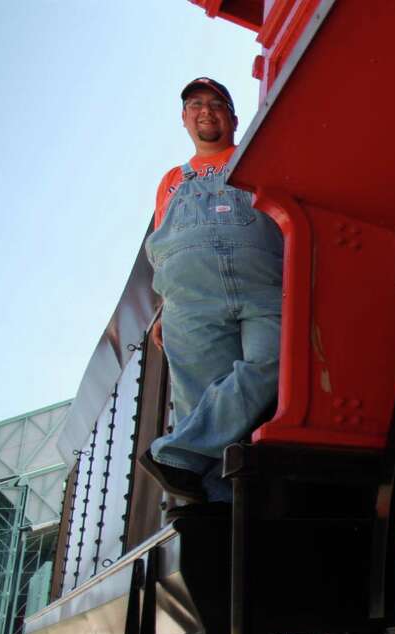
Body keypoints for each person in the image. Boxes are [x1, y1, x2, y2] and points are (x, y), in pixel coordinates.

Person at [137, 77, 284, 509]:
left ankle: (177, 453)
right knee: (200, 398)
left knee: (277, 360)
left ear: (233, 119)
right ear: (184, 119)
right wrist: (162, 309)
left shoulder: (257, 156)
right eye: (196, 105)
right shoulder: (171, 180)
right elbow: (166, 247)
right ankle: (218, 511)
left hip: (262, 287)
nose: (206, 111)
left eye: (217, 104)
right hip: (191, 299)